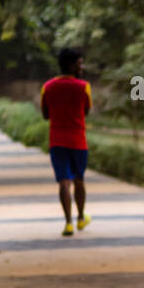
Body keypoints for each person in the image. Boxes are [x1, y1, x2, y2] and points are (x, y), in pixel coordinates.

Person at [40, 47, 92, 236]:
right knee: (79, 180)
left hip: (57, 142)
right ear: (71, 65)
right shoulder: (83, 86)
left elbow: (45, 114)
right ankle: (80, 218)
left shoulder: (47, 87)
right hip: (78, 141)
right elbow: (86, 111)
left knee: (64, 181)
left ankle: (68, 222)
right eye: (80, 63)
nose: (82, 67)